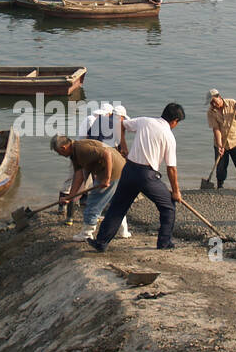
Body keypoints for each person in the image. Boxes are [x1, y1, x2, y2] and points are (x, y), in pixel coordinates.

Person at [88, 103, 184, 251]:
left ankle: (101, 242)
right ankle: (164, 243)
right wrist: (176, 191)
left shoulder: (145, 121)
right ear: (174, 120)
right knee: (168, 208)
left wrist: (123, 145)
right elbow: (171, 168)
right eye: (177, 123)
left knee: (117, 208)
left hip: (129, 171)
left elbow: (121, 124)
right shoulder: (169, 136)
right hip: (147, 176)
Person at [51, 134, 126, 240]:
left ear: (63, 148)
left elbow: (106, 153)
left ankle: (86, 234)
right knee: (115, 203)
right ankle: (124, 231)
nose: (60, 155)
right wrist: (70, 197)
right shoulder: (75, 152)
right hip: (116, 168)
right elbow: (78, 175)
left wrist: (107, 178)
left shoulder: (81, 149)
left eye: (59, 152)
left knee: (93, 203)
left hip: (113, 171)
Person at [76, 101, 130, 236]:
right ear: (121, 117)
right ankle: (122, 231)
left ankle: (87, 231)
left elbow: (90, 140)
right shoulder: (118, 126)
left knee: (97, 198)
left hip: (95, 163)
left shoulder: (98, 121)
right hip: (110, 166)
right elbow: (120, 150)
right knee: (111, 199)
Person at [206, 89, 236, 190]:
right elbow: (216, 129)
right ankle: (220, 187)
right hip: (220, 142)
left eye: (214, 102)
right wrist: (219, 145)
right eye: (211, 103)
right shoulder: (210, 112)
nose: (213, 105)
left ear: (219, 97)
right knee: (220, 166)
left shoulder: (232, 103)